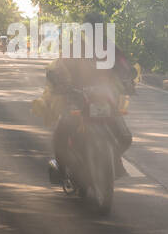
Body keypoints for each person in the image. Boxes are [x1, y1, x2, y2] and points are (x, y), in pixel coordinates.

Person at [40, 11, 136, 181]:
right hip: (77, 98)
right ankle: (63, 169)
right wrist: (59, 82)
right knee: (62, 133)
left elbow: (125, 68)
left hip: (105, 99)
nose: (94, 32)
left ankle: (112, 161)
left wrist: (127, 80)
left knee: (124, 137)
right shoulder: (75, 48)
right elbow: (59, 68)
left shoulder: (112, 49)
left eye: (97, 28)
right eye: (91, 28)